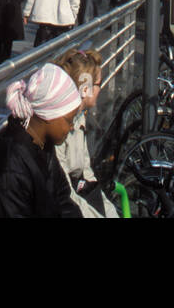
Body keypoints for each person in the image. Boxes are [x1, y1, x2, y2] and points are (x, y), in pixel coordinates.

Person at [0, 64, 83, 218]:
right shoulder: (10, 169)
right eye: (69, 120)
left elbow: (63, 198)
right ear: (49, 116)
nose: (72, 127)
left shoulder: (42, 145)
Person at [54, 48, 118, 218]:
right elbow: (65, 193)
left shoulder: (79, 118)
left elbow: (87, 173)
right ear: (85, 87)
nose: (100, 89)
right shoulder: (59, 129)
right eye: (98, 84)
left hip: (76, 196)